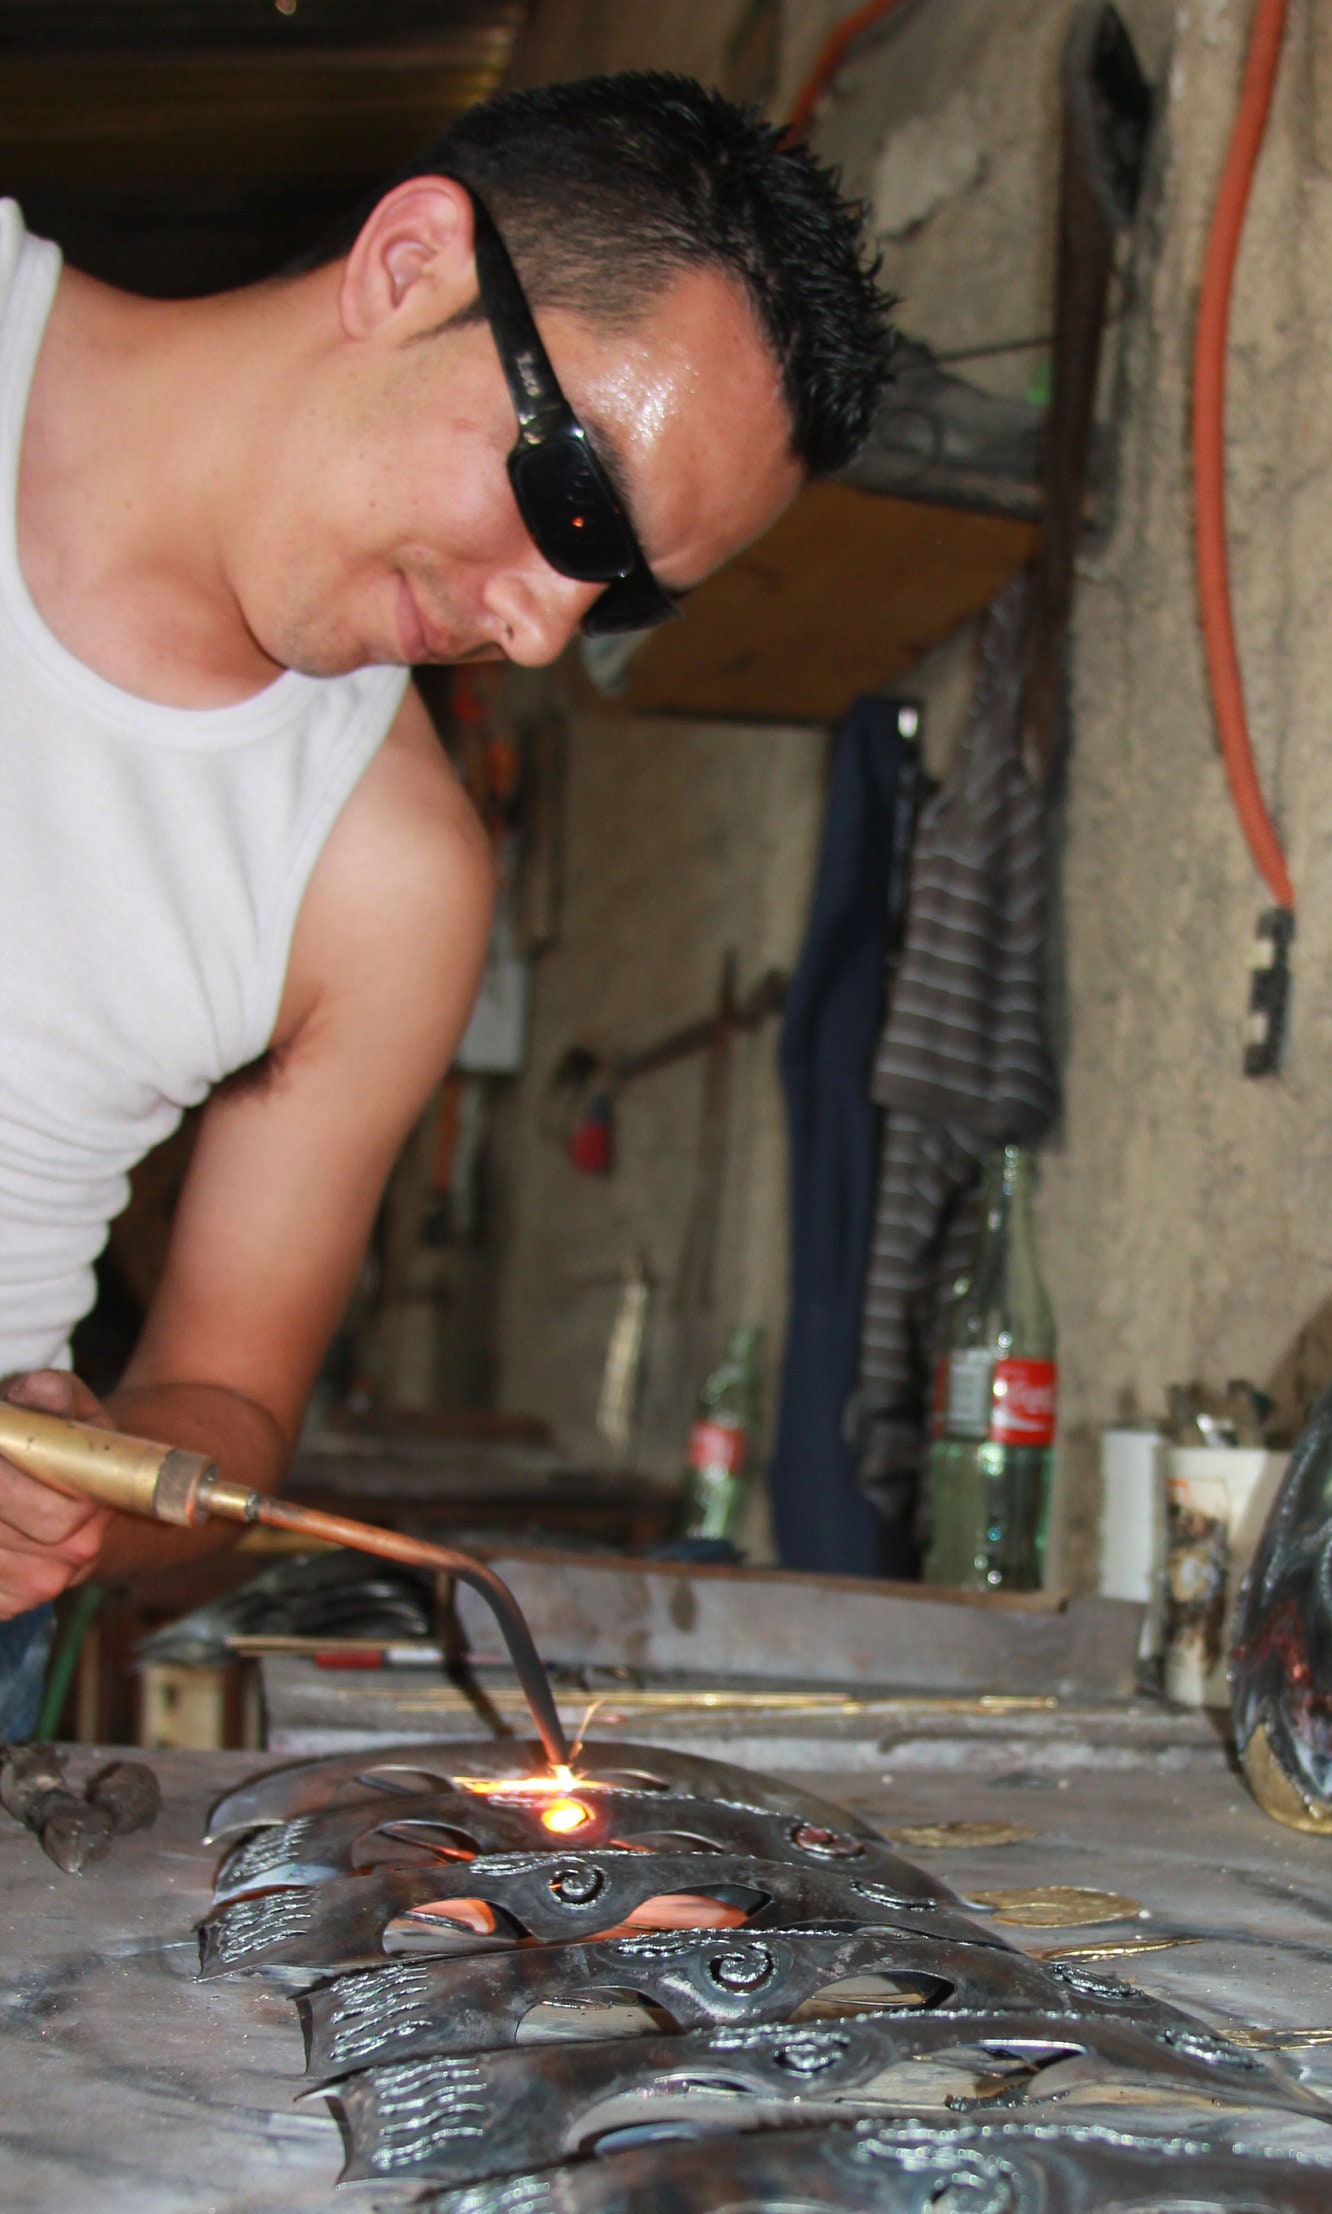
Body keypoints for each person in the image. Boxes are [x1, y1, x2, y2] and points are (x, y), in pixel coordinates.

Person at [0, 73, 891, 1731]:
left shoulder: (389, 877)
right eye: (570, 506)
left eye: (616, 596)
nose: (543, 633)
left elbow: (227, 1392)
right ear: (410, 263)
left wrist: (77, 1494)